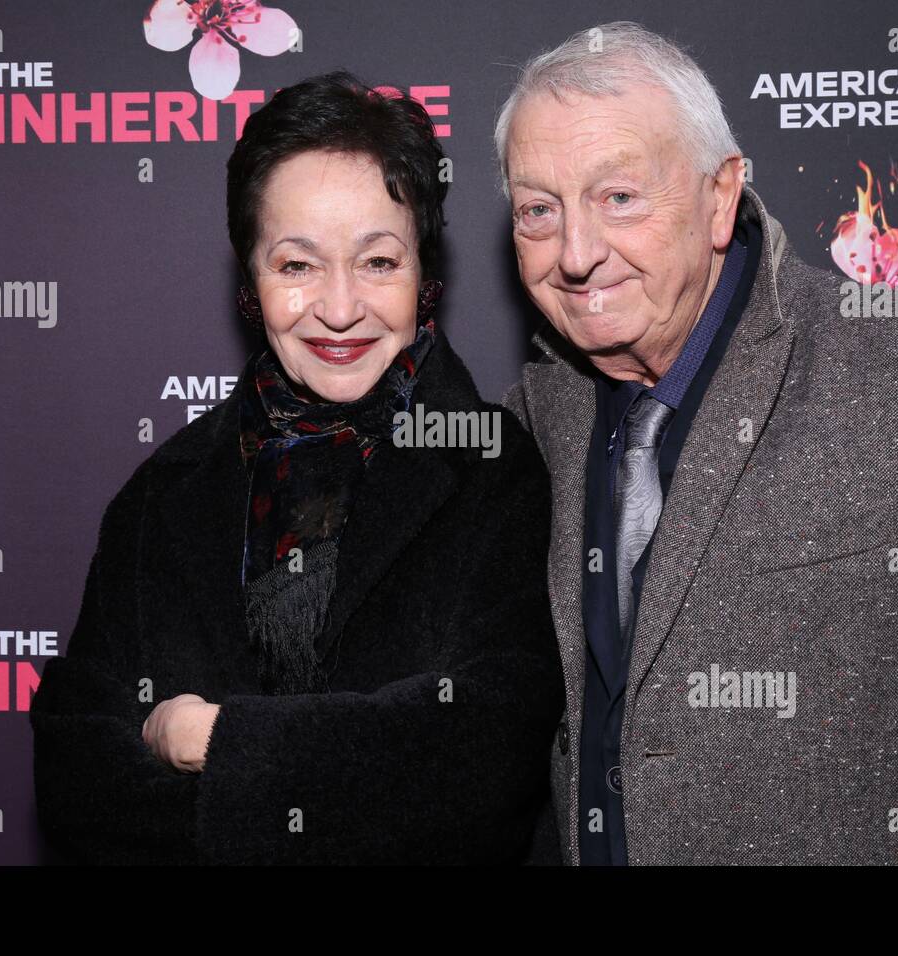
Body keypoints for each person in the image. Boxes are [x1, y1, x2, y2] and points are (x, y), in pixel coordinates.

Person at [496, 21, 898, 865]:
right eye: (538, 210)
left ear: (720, 196)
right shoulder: (531, 424)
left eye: (620, 197)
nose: (577, 252)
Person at [29, 71, 564, 865]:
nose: (340, 308)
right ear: (251, 279)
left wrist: (212, 740)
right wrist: (351, 770)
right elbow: (79, 779)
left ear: (425, 277)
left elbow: (481, 761)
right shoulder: (165, 493)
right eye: (297, 266)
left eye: (379, 262)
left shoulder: (491, 466)